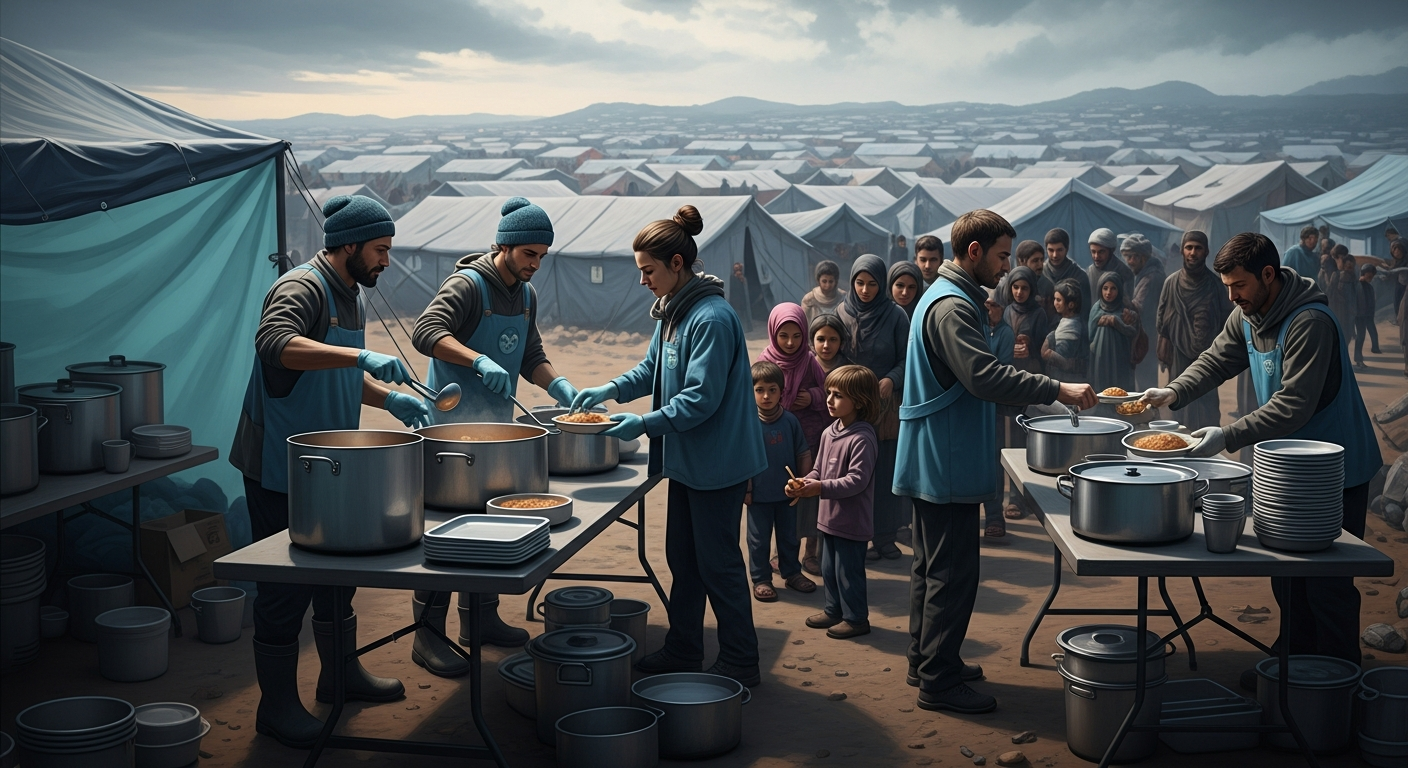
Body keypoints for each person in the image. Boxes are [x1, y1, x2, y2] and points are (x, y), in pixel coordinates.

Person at [230, 195, 428, 748]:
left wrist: (387, 398)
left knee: (337, 579)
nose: (386, 262)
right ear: (348, 245)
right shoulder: (302, 287)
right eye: (381, 250)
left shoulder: (352, 293)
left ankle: (341, 675)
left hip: (327, 463)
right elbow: (275, 345)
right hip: (279, 464)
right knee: (284, 590)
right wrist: (359, 359)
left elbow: (337, 371)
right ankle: (276, 707)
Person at [1141, 233, 1381, 680]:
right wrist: (1172, 392)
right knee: (1287, 575)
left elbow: (1294, 405)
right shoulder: (1247, 315)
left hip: (1335, 470)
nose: (1232, 297)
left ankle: (1337, 677)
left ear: (1268, 275)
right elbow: (1215, 360)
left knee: (1328, 580)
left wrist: (1227, 435)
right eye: (1228, 287)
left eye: (1239, 286)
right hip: (1285, 468)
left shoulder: (1310, 321)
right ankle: (1291, 657)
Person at [895, 209, 1097, 714]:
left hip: (936, 451)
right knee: (952, 572)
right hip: (946, 455)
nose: (1008, 268)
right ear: (974, 252)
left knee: (931, 566)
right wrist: (1056, 388)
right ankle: (938, 682)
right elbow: (983, 376)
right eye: (1004, 256)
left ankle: (927, 659)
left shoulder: (945, 297)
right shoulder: (951, 307)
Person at [571, 205, 766, 687]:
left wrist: (642, 423)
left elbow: (701, 398)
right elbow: (651, 370)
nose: (643, 282)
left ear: (677, 264)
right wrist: (609, 389)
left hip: (719, 464)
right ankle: (684, 647)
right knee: (682, 558)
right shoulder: (672, 314)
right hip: (686, 462)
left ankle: (741, 659)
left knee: (718, 564)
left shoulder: (711, 318)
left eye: (648, 271)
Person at [408, 197, 580, 675]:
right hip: (451, 434)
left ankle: (479, 619)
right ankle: (427, 635)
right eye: (530, 254)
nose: (536, 265)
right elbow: (426, 331)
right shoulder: (467, 285)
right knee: (447, 536)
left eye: (543, 256)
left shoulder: (526, 295)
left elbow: (530, 355)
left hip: (496, 434)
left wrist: (557, 384)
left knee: (487, 530)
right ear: (504, 246)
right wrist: (476, 360)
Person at [787, 365, 880, 640]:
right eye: (828, 392)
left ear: (860, 401)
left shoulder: (862, 437)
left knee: (848, 572)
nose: (829, 399)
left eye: (838, 395)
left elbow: (857, 481)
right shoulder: (829, 432)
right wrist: (803, 483)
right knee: (828, 569)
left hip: (852, 522)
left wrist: (820, 487)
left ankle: (856, 619)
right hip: (827, 520)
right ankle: (833, 610)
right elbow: (818, 471)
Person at [835, 254, 909, 561]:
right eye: (860, 283)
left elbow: (908, 360)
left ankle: (885, 537)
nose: (865, 290)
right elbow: (831, 353)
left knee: (883, 471)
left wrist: (892, 379)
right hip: (851, 406)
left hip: (885, 408)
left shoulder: (896, 316)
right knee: (854, 471)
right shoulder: (840, 312)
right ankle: (858, 535)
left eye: (872, 284)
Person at [746, 361, 816, 602]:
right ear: (750, 391)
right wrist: (745, 489)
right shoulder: (747, 423)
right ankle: (761, 578)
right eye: (759, 390)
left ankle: (792, 573)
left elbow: (803, 453)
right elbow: (740, 459)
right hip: (758, 496)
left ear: (782, 391)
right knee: (758, 541)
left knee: (789, 536)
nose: (766, 396)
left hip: (788, 495)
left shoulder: (790, 421)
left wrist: (803, 483)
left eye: (772, 390)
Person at [1156, 231, 1232, 430]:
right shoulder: (1171, 284)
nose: (1193, 252)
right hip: (1178, 355)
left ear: (1206, 251)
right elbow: (1161, 320)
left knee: (1207, 409)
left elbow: (1227, 323)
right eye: (1189, 247)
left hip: (1208, 358)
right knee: (1178, 404)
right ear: (1182, 250)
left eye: (1198, 248)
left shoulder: (1216, 285)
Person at [802, 313, 852, 575]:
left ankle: (818, 552)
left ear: (841, 342)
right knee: (802, 496)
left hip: (838, 441)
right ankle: (792, 552)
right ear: (812, 341)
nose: (826, 345)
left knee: (827, 496)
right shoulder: (804, 365)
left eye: (833, 339)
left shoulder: (848, 370)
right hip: (809, 439)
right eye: (820, 339)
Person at [983, 297, 1016, 538]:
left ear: (1002, 308)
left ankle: (995, 516)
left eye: (993, 305)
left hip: (992, 401)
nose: (989, 310)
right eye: (985, 305)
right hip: (970, 401)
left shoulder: (1006, 333)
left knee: (993, 459)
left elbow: (1002, 365)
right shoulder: (976, 327)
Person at [1122, 234, 1164, 392]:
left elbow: (1139, 307)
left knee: (1146, 384)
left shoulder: (1151, 278)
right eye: (1127, 256)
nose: (1129, 261)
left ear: (1143, 257)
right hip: (1145, 335)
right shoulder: (1144, 274)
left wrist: (1121, 298)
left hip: (1148, 337)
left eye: (1132, 257)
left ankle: (1149, 415)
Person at [1087, 272, 1138, 392]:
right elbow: (1090, 333)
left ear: (1119, 290)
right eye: (1105, 288)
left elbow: (1132, 332)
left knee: (1119, 386)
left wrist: (1117, 322)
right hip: (1100, 357)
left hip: (1119, 355)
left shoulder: (1125, 309)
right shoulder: (1096, 308)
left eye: (1113, 288)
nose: (1108, 293)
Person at [1003, 266, 1049, 376]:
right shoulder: (1008, 311)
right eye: (1015, 287)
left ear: (1031, 289)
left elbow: (1043, 347)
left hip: (1031, 370)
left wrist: (1029, 343)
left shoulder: (1038, 313)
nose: (1019, 292)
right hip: (1010, 369)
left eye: (1024, 288)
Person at [1042, 279, 1089, 382]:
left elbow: (1063, 361)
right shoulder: (1067, 321)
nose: (1055, 303)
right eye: (1055, 299)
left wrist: (1049, 351)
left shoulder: (1071, 328)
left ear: (1071, 305)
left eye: (1059, 300)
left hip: (1066, 379)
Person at [1044, 228, 1091, 314]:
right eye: (1051, 250)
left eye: (1059, 250)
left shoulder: (1079, 276)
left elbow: (1085, 311)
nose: (1055, 255)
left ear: (1067, 249)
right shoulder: (1040, 273)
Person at [1086, 228, 1135, 297]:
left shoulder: (1124, 273)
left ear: (1111, 250)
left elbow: (1126, 303)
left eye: (1101, 252)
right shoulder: (1089, 272)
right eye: (1093, 252)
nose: (1096, 256)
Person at [1326, 246, 1359, 345]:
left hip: (1347, 308)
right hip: (1338, 308)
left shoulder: (1349, 272)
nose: (1339, 261)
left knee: (1346, 333)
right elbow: (1330, 292)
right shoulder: (1334, 272)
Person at [801, 260, 846, 325]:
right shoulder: (809, 300)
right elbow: (805, 326)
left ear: (836, 281)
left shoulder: (843, 298)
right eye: (824, 281)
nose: (827, 285)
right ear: (818, 281)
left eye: (831, 281)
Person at [1354, 265, 1381, 369]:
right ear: (1363, 273)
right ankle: (1358, 360)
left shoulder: (1369, 286)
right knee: (1360, 337)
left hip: (1368, 315)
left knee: (1366, 334)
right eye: (1369, 275)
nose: (1371, 278)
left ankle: (1374, 349)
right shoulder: (1357, 285)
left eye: (1372, 276)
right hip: (1360, 315)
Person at [729, 261, 754, 333]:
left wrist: (741, 279)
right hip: (735, 301)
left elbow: (745, 290)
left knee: (743, 315)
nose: (737, 270)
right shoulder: (732, 277)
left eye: (738, 269)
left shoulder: (743, 278)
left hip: (742, 301)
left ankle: (745, 328)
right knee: (736, 315)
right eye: (735, 269)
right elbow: (732, 290)